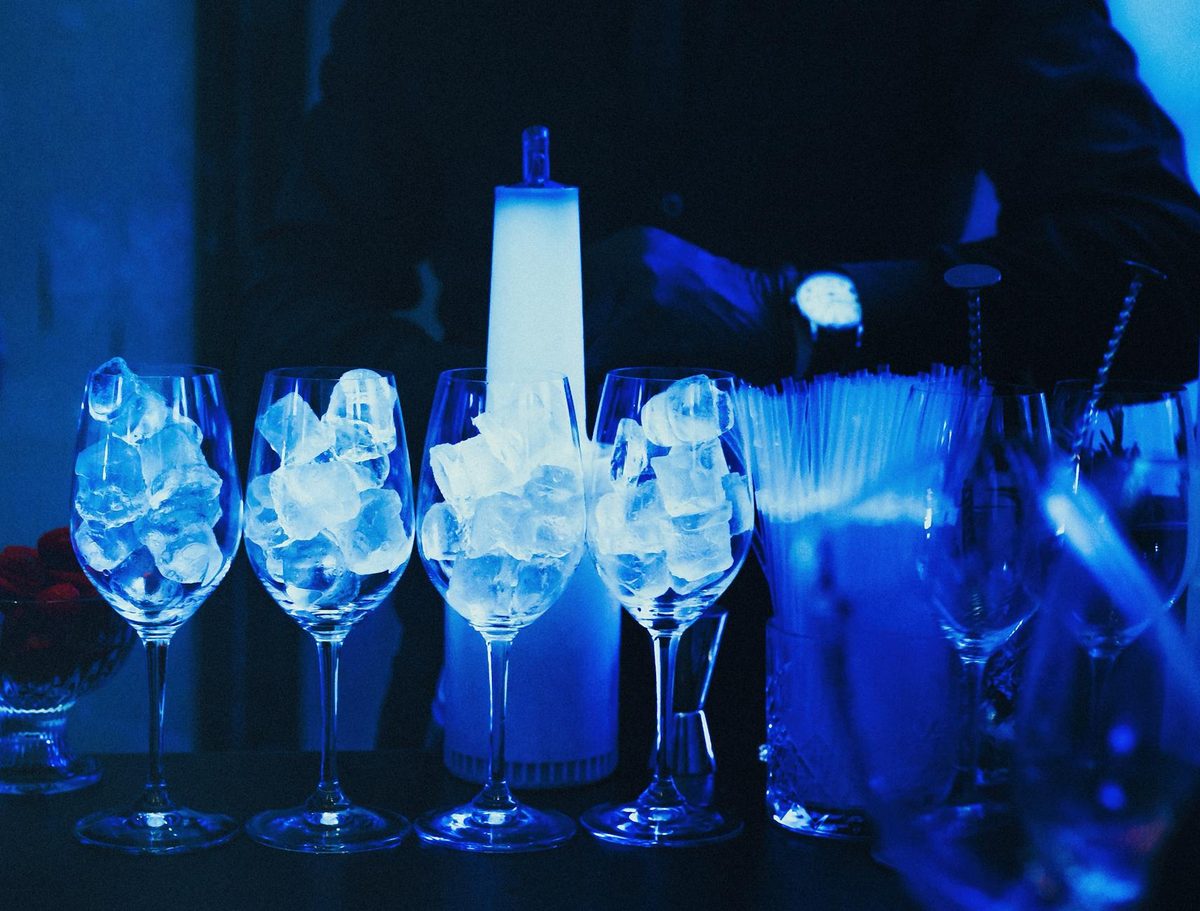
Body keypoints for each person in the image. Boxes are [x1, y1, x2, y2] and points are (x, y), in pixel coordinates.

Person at [234, 0, 1200, 761]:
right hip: (497, 685)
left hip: (848, 699)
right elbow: (294, 300)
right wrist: (501, 409)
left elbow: (1162, 268)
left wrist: (796, 309)